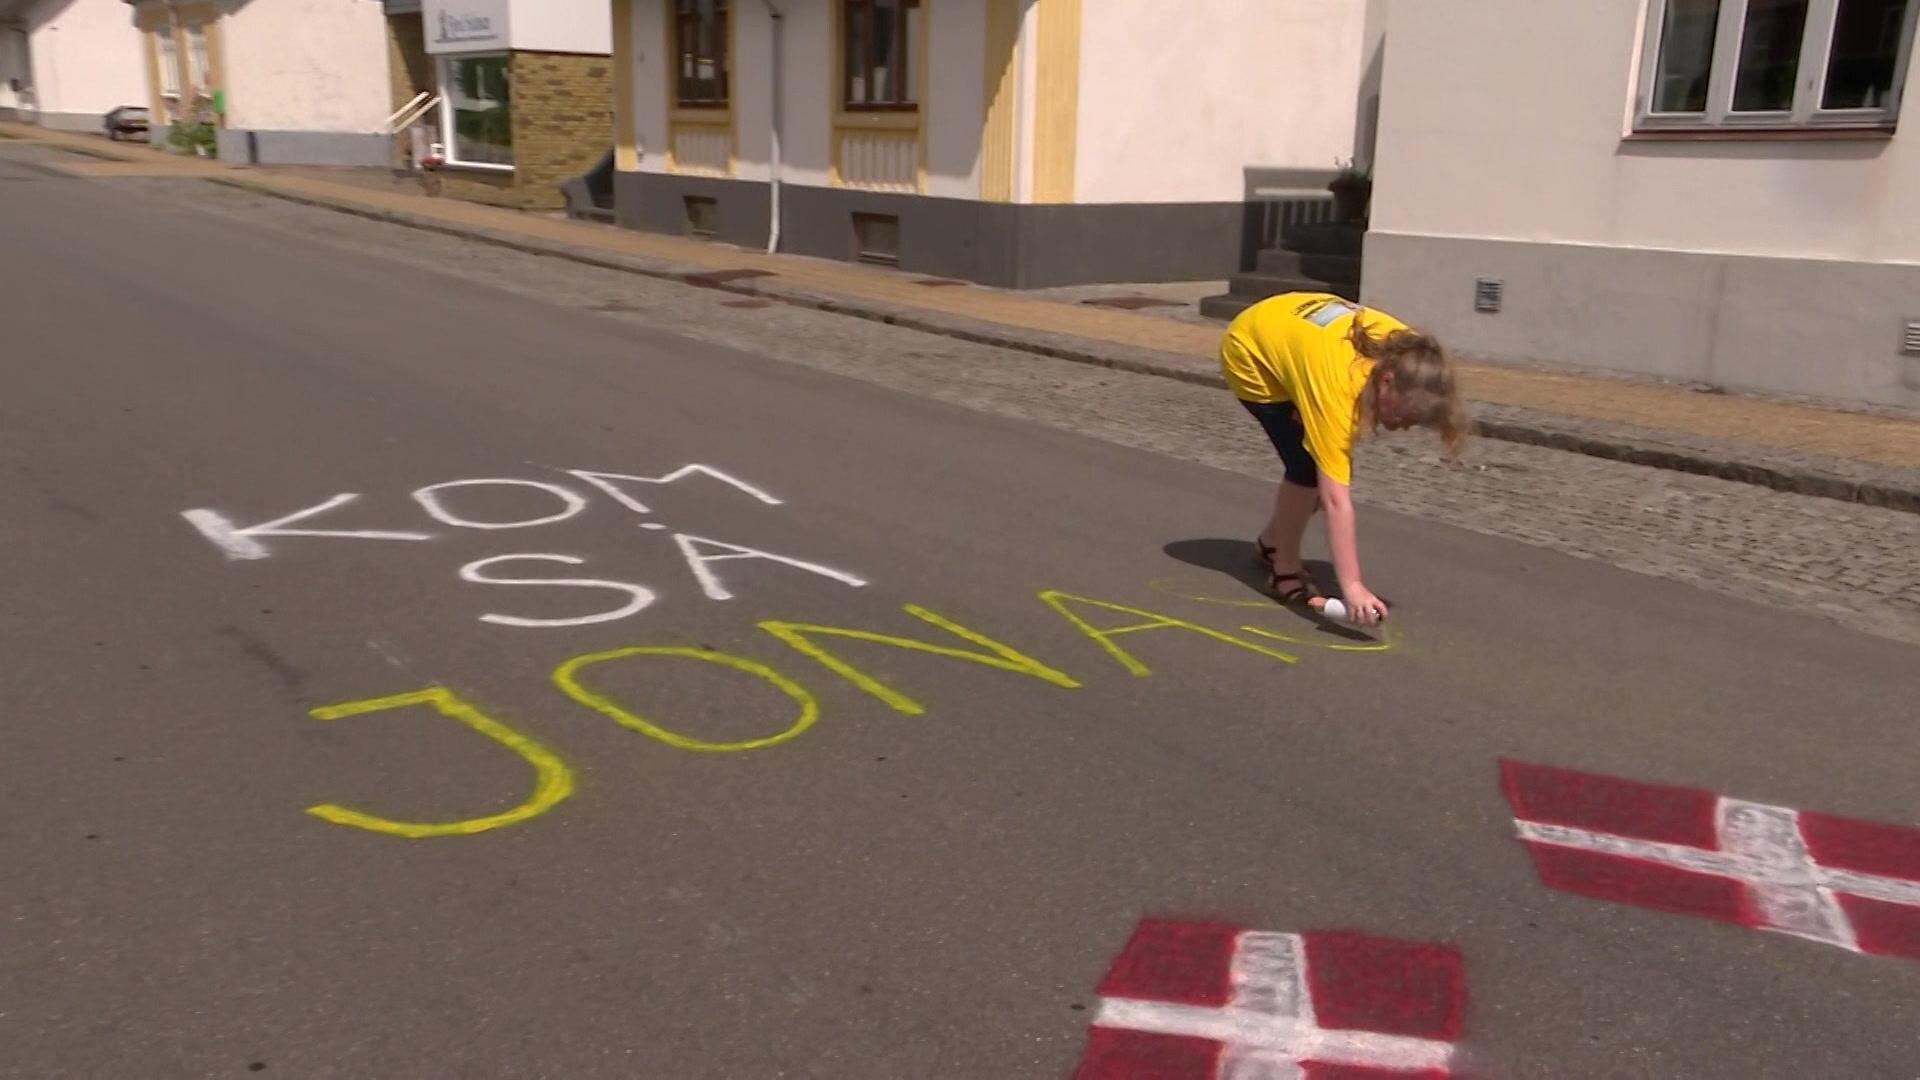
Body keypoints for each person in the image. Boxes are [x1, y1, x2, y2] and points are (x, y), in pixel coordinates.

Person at [1220, 292, 1467, 625]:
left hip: (1294, 323)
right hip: (1250, 351)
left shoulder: (1413, 359)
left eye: (1416, 421)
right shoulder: (1339, 393)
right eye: (1407, 414)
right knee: (1307, 471)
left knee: (1323, 469)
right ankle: (1284, 570)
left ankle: (1272, 542)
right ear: (1387, 381)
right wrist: (1352, 586)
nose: (1406, 426)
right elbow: (1337, 501)